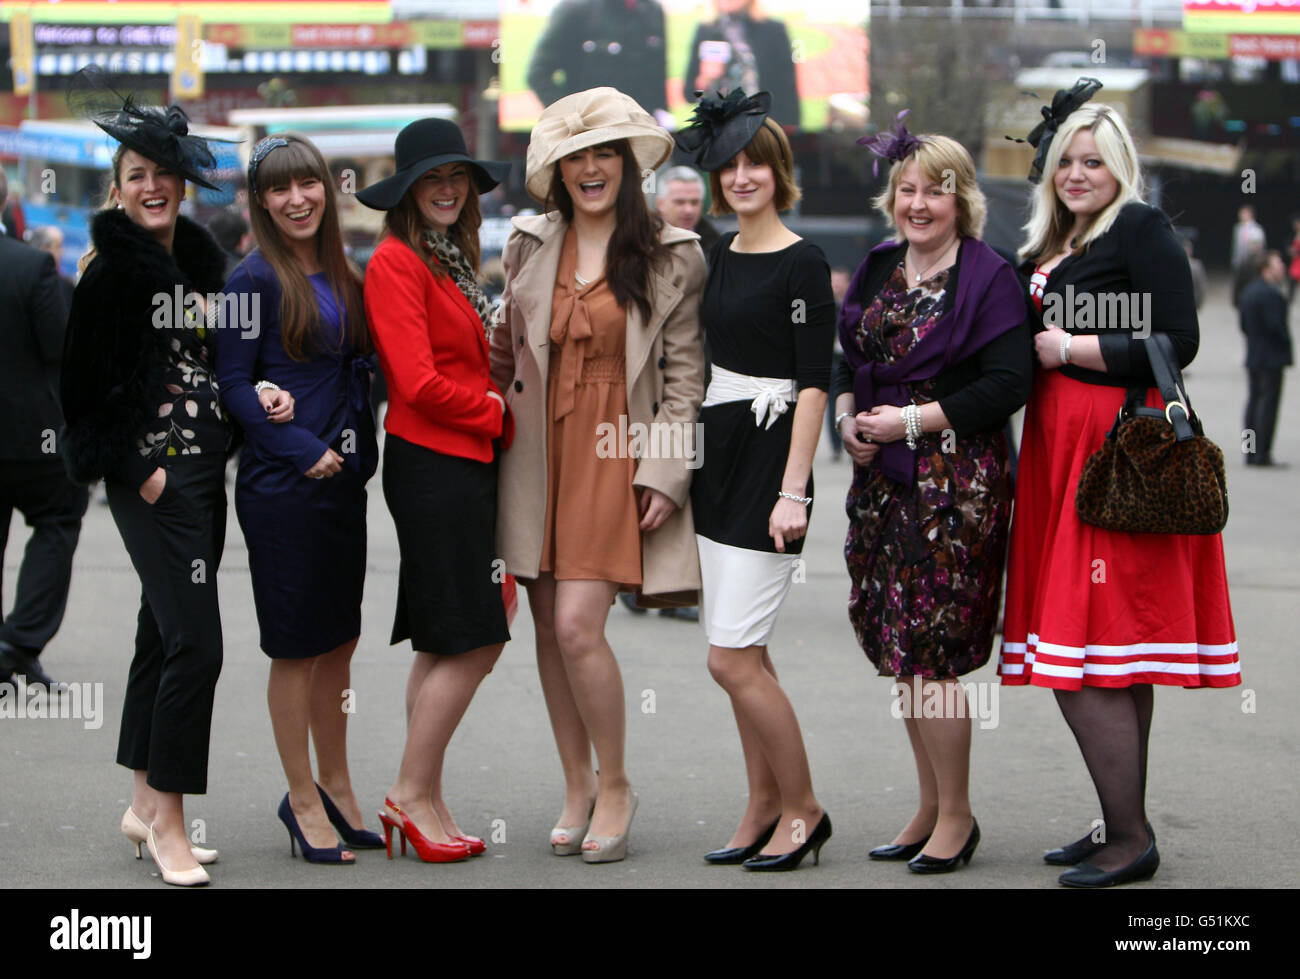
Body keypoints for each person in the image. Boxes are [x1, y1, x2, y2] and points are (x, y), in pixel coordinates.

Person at [998, 89, 1241, 888]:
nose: (1077, 173)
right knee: (1112, 657)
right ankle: (1118, 817)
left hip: (1110, 449)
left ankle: (1132, 837)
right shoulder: (1050, 241)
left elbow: (1180, 337)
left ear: (1121, 168)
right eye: (1066, 159)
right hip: (1056, 448)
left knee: (1083, 659)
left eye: (1094, 160)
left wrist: (1070, 346)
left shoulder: (1140, 228)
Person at [59, 77, 287, 886]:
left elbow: (216, 368)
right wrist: (142, 472)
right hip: (154, 482)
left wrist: (260, 393)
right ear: (117, 191)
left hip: (203, 475)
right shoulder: (110, 274)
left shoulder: (198, 266)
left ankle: (138, 803)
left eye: (163, 174)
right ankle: (170, 825)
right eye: (135, 176)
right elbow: (81, 399)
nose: (152, 187)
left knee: (160, 636)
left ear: (181, 184)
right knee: (198, 646)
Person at [491, 87, 706, 863]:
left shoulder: (672, 253)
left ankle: (615, 781)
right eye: (576, 156)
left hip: (618, 453)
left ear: (626, 163)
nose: (590, 168)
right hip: (536, 456)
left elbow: (684, 382)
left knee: (580, 626)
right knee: (547, 629)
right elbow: (504, 354)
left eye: (604, 152)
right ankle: (575, 784)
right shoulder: (524, 244)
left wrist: (665, 473)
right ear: (556, 170)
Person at [833, 123, 1032, 874]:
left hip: (957, 486)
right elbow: (851, 357)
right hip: (884, 483)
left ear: (962, 198)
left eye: (936, 190)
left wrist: (912, 420)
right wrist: (855, 419)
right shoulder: (882, 266)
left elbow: (1008, 384)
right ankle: (927, 803)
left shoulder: (989, 277)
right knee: (902, 649)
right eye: (908, 189)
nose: (919, 204)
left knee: (934, 654)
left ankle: (958, 814)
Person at [676, 89, 833, 871]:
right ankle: (761, 803)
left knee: (729, 658)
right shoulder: (716, 255)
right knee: (748, 652)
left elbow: (813, 383)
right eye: (729, 166)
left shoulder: (804, 262)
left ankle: (804, 808)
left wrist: (794, 489)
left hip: (773, 465)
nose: (741, 177)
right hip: (718, 454)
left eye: (755, 164)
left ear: (780, 172)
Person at [217, 134, 380, 865]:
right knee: (296, 647)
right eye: (278, 190)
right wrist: (302, 448)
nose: (295, 200)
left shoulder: (349, 276)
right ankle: (301, 796)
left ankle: (339, 783)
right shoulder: (249, 280)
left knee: (340, 641)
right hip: (283, 488)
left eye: (306, 184)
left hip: (342, 484)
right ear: (261, 201)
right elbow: (232, 385)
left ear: (326, 188)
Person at [357, 119, 512, 864]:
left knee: (442, 636)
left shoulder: (448, 257)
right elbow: (415, 381)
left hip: (461, 462)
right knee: (477, 634)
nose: (448, 188)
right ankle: (409, 793)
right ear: (408, 191)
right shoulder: (395, 262)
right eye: (432, 178)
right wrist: (497, 411)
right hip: (435, 463)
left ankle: (426, 793)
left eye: (457, 177)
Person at [0, 173, 87, 691]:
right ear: (7, 199)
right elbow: (59, 348)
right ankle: (18, 644)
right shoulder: (31, 265)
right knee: (57, 524)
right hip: (36, 435)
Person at [526, 0, 671, 128]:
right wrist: (573, 120)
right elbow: (538, 74)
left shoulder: (653, 11)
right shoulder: (575, 9)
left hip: (642, 131)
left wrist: (660, 112)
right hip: (593, 137)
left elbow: (658, 73)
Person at [683, 0, 800, 131]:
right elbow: (690, 93)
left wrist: (791, 131)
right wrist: (706, 78)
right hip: (719, 131)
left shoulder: (773, 30)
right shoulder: (705, 30)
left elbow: (788, 89)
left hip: (762, 129)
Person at [1238, 249, 1292, 468]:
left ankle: (1249, 450)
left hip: (1254, 355)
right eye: (1278, 264)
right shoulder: (1271, 294)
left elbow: (1243, 325)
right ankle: (1262, 453)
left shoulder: (1249, 292)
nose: (1282, 268)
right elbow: (1276, 326)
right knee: (1267, 406)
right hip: (1270, 358)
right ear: (1266, 269)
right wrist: (1285, 343)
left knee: (1253, 403)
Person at [655, 165, 720, 253]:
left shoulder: (716, 246)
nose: (688, 210)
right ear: (660, 204)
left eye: (695, 202)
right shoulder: (640, 240)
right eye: (680, 202)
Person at [27, 225, 77, 308]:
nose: (62, 251)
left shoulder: (66, 283)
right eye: (58, 246)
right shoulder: (32, 281)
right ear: (44, 249)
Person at [1230, 204, 1265, 308]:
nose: (1241, 215)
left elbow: (1259, 246)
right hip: (1240, 261)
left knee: (1250, 282)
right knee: (1239, 283)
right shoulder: (1238, 228)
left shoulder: (1257, 229)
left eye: (1243, 213)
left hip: (1251, 262)